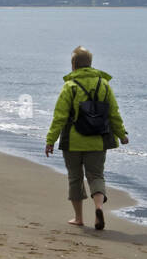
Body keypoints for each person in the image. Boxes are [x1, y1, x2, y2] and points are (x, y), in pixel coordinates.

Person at [44, 46, 128, 230]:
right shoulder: (104, 84)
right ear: (90, 64)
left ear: (74, 65)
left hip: (73, 141)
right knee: (96, 175)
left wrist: (50, 140)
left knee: (75, 178)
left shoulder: (70, 86)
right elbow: (113, 113)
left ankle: (79, 217)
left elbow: (59, 117)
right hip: (98, 139)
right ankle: (98, 207)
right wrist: (122, 134)